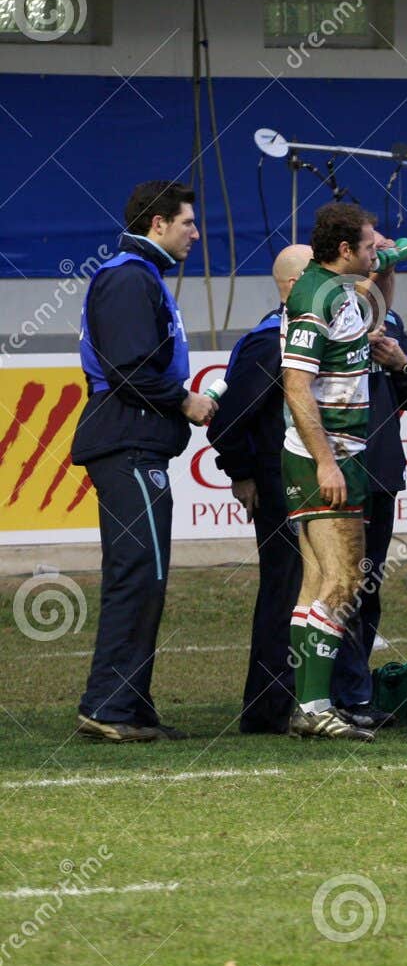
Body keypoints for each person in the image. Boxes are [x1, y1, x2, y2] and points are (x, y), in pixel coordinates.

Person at [71, 180, 214, 742]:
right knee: (138, 572)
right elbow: (130, 368)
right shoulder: (129, 277)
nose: (196, 233)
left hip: (136, 443)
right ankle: (107, 707)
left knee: (144, 574)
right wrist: (184, 400)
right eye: (187, 222)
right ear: (157, 224)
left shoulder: (139, 276)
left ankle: (126, 703)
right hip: (126, 443)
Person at [279, 203, 383, 742]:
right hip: (327, 454)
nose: (375, 250)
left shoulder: (336, 289)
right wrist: (325, 460)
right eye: (368, 245)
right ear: (345, 250)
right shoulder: (316, 294)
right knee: (344, 582)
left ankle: (309, 705)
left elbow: (377, 286)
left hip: (336, 451)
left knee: (316, 584)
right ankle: (314, 706)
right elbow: (296, 385)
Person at [328, 238, 407, 730]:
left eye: (390, 261)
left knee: (366, 585)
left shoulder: (393, 326)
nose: (386, 268)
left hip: (382, 472)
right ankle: (329, 694)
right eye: (377, 255)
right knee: (336, 584)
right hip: (338, 470)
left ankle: (355, 693)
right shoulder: (327, 313)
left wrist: (399, 364)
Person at [208, 244, 310, 735]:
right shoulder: (270, 341)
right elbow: (227, 420)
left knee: (311, 591)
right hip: (279, 486)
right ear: (292, 284)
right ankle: (268, 709)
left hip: (305, 483)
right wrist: (242, 472)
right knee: (284, 592)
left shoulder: (304, 333)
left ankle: (305, 699)